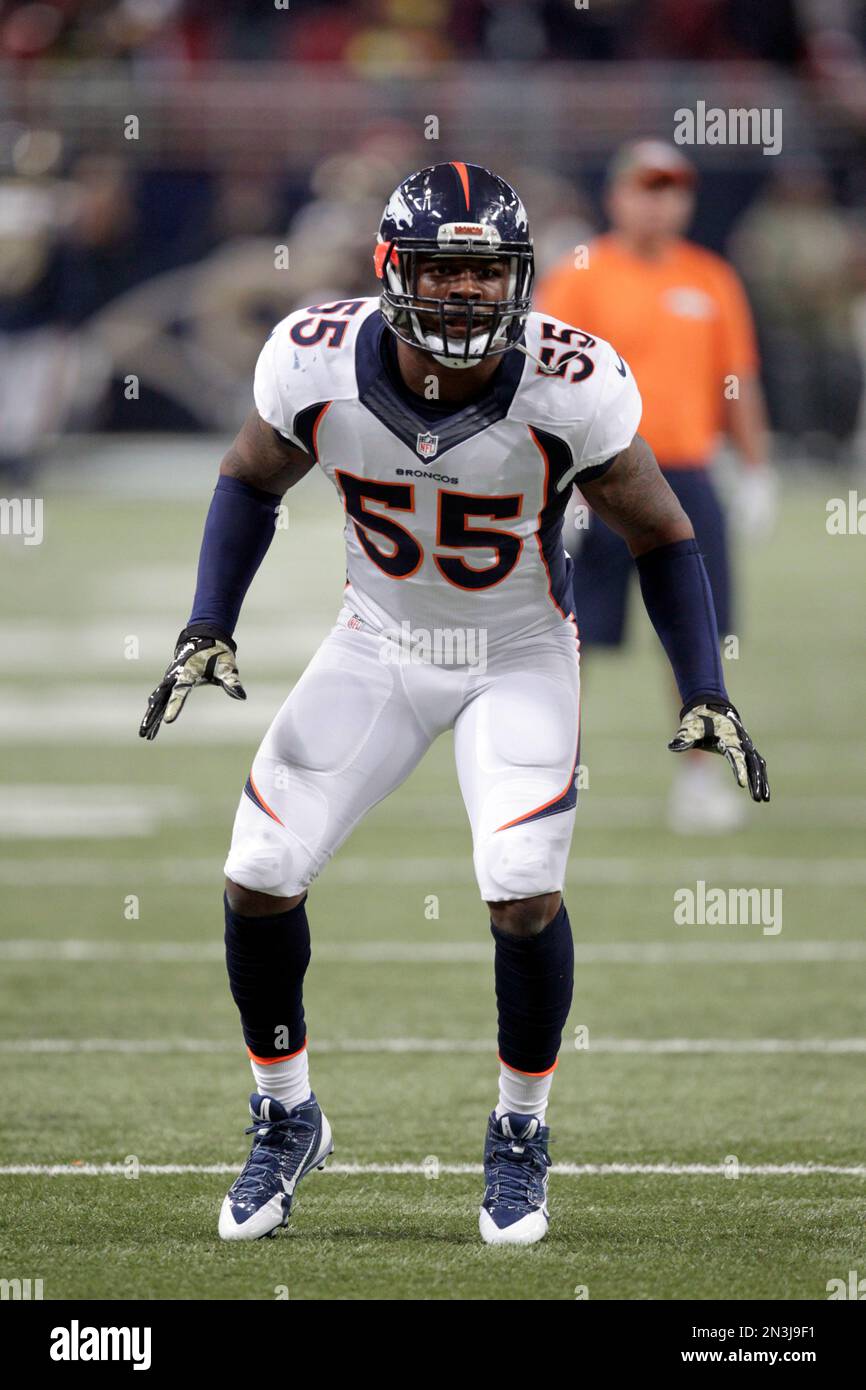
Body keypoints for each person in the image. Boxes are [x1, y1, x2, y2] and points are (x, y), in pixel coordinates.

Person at [140, 162, 769, 1247]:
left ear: (517, 278)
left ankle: (518, 1130)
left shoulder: (567, 382)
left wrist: (704, 685)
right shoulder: (315, 360)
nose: (470, 294)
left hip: (515, 651)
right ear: (394, 268)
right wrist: (210, 619)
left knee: (520, 886)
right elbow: (248, 479)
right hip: (375, 644)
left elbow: (664, 534)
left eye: (488, 273)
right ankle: (287, 1115)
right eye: (445, 269)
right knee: (256, 871)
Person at [536, 140, 776, 832]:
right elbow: (544, 382)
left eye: (672, 188)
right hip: (597, 475)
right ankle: (547, 778)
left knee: (694, 637)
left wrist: (756, 468)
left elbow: (739, 383)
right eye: (646, 187)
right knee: (567, 637)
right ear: (617, 196)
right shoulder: (581, 275)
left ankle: (699, 778)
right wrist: (558, 478)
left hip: (687, 476)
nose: (659, 201)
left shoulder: (711, 278)